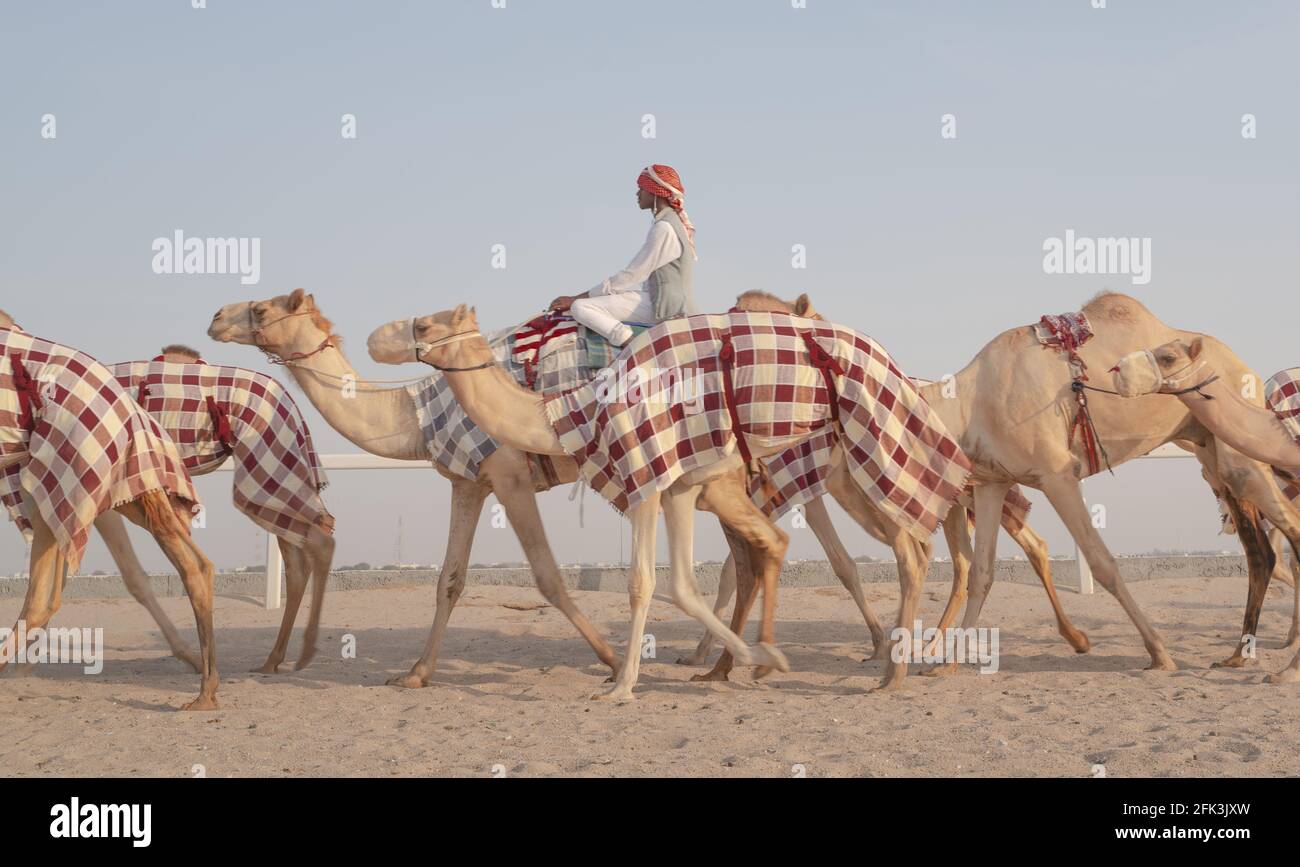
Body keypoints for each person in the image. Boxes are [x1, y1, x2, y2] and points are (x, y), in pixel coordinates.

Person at [549, 164, 698, 346]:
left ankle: (630, 344)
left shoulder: (664, 228)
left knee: (580, 307)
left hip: (667, 309)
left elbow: (630, 276)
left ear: (655, 192)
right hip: (660, 300)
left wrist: (577, 297)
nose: (638, 194)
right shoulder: (669, 223)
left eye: (642, 189)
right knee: (614, 297)